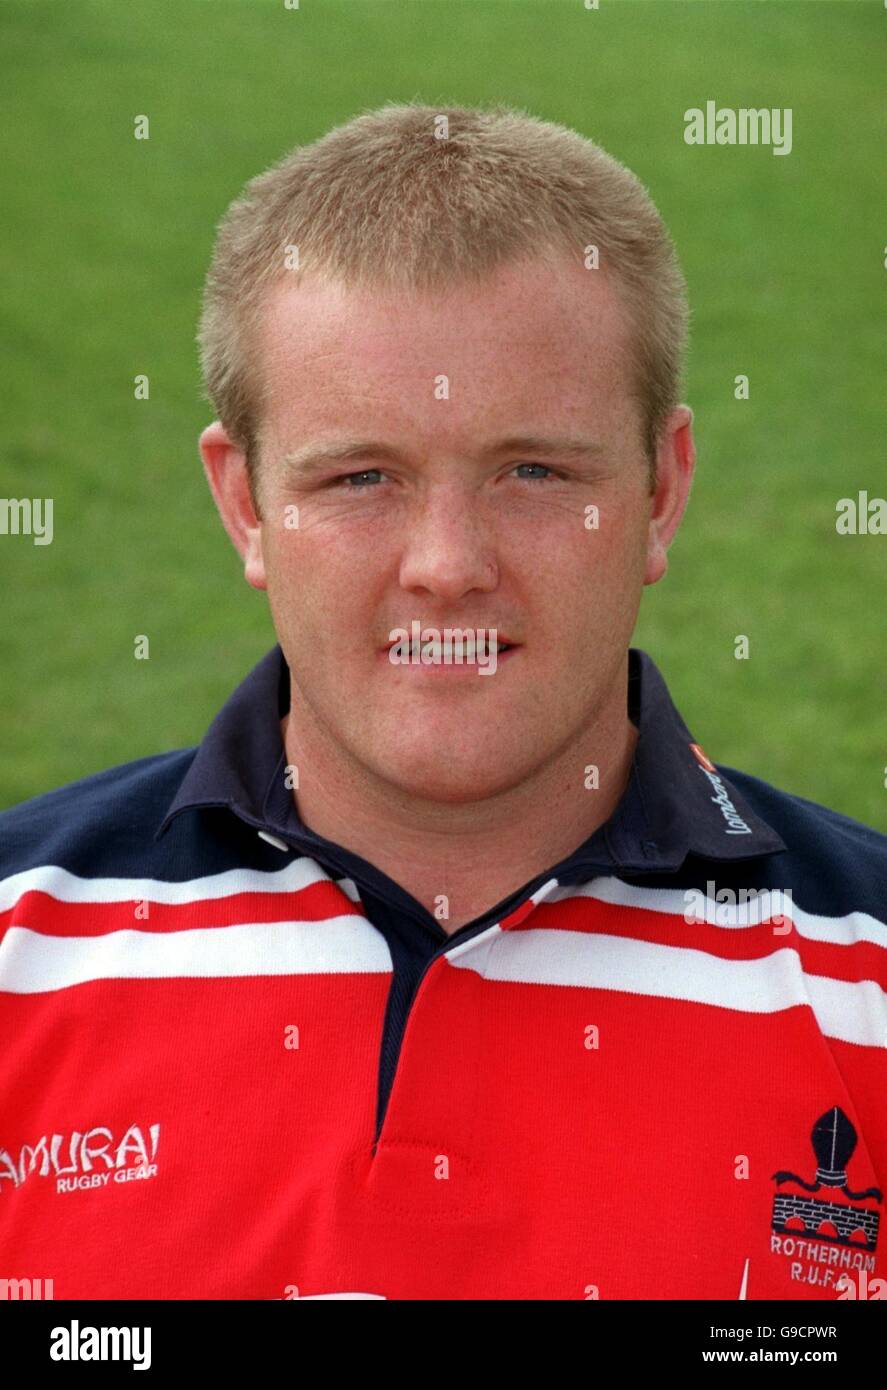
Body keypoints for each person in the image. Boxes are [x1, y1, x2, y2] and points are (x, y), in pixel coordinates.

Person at [1, 103, 884, 1302]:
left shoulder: (862, 986)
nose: (445, 563)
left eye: (533, 471)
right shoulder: (19, 950)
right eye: (361, 477)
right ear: (246, 505)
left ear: (660, 491)